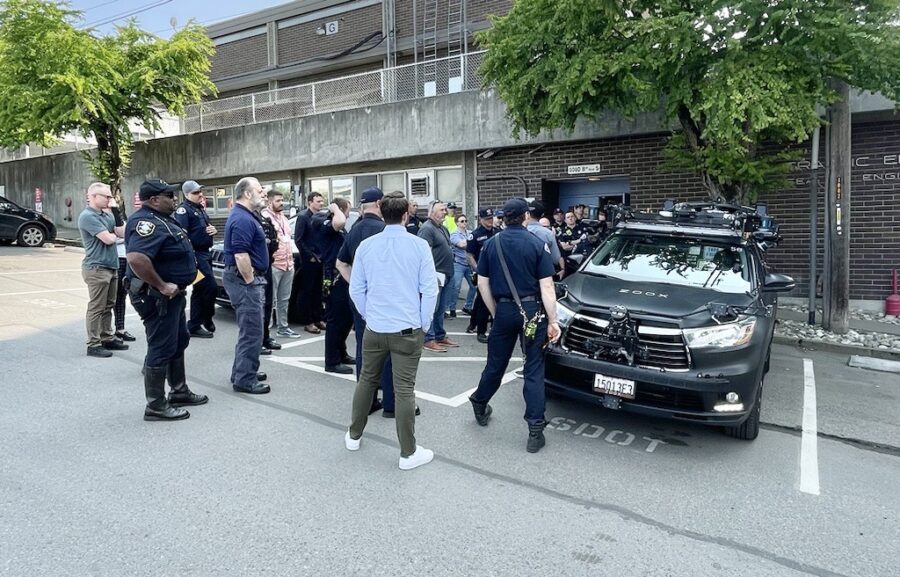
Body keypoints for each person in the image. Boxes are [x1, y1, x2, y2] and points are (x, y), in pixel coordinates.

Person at [345, 191, 439, 471]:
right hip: (407, 328)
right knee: (404, 390)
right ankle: (408, 453)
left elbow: (356, 289)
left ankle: (353, 434)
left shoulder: (366, 246)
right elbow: (429, 289)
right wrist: (424, 323)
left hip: (375, 327)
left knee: (366, 381)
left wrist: (367, 314)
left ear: (381, 213)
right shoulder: (418, 245)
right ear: (406, 215)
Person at [467, 198, 561, 453]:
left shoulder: (492, 243)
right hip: (532, 311)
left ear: (503, 218)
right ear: (525, 217)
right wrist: (553, 321)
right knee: (533, 368)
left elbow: (482, 284)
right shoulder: (536, 244)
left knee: (496, 363)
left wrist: (496, 312)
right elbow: (547, 286)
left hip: (505, 309)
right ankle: (534, 429)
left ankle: (480, 401)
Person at [126, 179, 208, 421]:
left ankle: (179, 390)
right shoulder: (145, 222)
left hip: (174, 295)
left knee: (178, 340)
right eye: (169, 196)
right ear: (153, 200)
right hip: (157, 296)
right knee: (161, 346)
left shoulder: (164, 218)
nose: (175, 199)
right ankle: (156, 405)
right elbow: (136, 258)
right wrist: (161, 285)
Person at [335, 187, 397, 416]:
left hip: (360, 298)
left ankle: (368, 400)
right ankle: (391, 403)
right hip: (384, 298)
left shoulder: (354, 230)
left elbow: (341, 264)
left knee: (364, 347)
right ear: (380, 204)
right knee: (390, 348)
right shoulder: (384, 230)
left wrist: (357, 285)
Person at [223, 177, 271, 395]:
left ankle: (243, 370)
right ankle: (244, 379)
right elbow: (241, 255)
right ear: (247, 194)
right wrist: (251, 282)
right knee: (252, 332)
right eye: (259, 190)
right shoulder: (242, 219)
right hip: (244, 281)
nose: (264, 194)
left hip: (245, 280)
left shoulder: (247, 216)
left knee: (249, 330)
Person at [78, 182, 128, 358]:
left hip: (111, 266)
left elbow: (122, 232)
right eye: (106, 196)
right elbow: (108, 239)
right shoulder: (87, 216)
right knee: (97, 307)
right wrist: (114, 236)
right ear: (92, 197)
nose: (109, 199)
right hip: (97, 268)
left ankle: (107, 337)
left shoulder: (106, 215)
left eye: (110, 196)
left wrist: (115, 211)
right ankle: (93, 344)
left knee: (109, 305)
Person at [313, 198, 353, 374]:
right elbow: (340, 220)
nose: (349, 214)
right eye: (347, 210)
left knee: (345, 319)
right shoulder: (326, 224)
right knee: (335, 321)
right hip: (332, 277)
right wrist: (335, 208)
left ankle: (341, 353)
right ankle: (332, 361)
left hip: (342, 276)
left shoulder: (338, 226)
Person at [174, 180, 217, 339]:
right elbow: (182, 236)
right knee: (209, 286)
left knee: (201, 289)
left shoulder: (199, 209)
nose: (200, 194)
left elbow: (204, 228)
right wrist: (191, 259)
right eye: (195, 192)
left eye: (200, 191)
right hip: (196, 255)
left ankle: (196, 323)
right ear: (186, 194)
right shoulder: (184, 211)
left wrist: (212, 229)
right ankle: (202, 319)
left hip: (205, 254)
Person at [418, 200, 457, 352]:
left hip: (446, 274)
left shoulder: (442, 228)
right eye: (441, 210)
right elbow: (423, 253)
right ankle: (428, 339)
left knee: (441, 308)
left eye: (445, 210)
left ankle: (440, 335)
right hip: (435, 275)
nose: (445, 212)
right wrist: (429, 274)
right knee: (432, 308)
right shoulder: (427, 229)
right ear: (431, 212)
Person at [261, 189, 299, 339]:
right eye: (278, 201)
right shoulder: (265, 217)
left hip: (288, 262)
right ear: (269, 202)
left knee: (284, 298)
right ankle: (267, 331)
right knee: (270, 299)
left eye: (282, 200)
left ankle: (283, 327)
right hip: (275, 263)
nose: (281, 203)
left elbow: (286, 238)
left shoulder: (283, 216)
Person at [293, 191, 326, 334]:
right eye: (318, 201)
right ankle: (308, 321)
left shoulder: (321, 217)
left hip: (321, 258)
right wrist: (310, 256)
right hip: (308, 261)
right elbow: (299, 240)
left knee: (318, 291)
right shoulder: (303, 217)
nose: (321, 204)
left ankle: (318, 318)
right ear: (310, 202)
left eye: (321, 201)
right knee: (307, 291)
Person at [465, 208, 496, 343]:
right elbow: (469, 256)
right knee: (484, 302)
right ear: (481, 220)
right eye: (487, 219)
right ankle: (481, 331)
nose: (490, 221)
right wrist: (478, 270)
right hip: (483, 273)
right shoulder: (475, 235)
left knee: (481, 300)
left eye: (491, 218)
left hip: (495, 272)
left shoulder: (497, 232)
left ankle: (473, 323)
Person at [257, 193, 282, 353]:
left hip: (267, 265)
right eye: (262, 195)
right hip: (256, 269)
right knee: (257, 307)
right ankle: (257, 341)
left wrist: (271, 243)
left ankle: (265, 337)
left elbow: (274, 240)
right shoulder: (250, 218)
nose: (264, 199)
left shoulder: (264, 219)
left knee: (267, 304)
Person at [108, 195, 135, 342]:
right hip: (114, 259)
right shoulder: (102, 217)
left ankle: (120, 328)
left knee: (121, 295)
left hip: (126, 259)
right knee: (111, 297)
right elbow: (114, 237)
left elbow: (126, 234)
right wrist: (121, 237)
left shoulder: (120, 217)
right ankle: (106, 332)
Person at [525, 201, 565, 278]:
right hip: (542, 276)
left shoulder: (518, 232)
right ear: (542, 215)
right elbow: (556, 259)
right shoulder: (548, 233)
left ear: (528, 214)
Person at [448, 213, 475, 317]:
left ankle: (468, 306)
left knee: (474, 286)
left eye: (465, 221)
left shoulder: (470, 233)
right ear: (457, 223)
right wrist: (471, 242)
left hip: (469, 264)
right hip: (459, 264)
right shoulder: (454, 234)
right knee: (456, 286)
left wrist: (469, 242)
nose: (464, 223)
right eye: (462, 221)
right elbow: (461, 244)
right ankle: (452, 308)